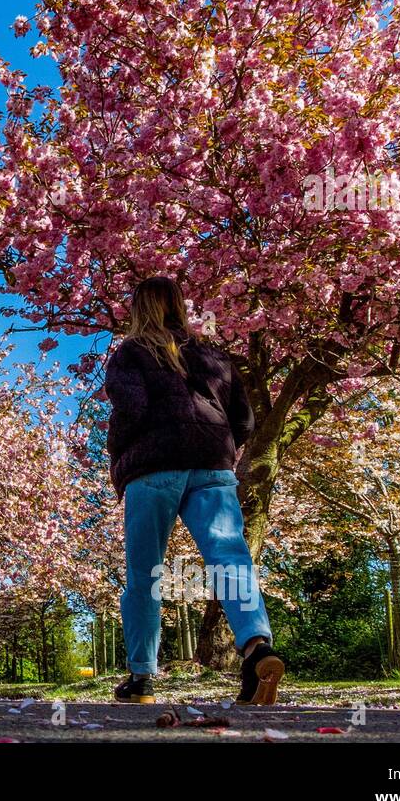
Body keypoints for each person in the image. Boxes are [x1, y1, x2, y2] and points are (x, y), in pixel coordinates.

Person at [104, 276, 284, 705]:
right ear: (179, 307)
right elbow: (244, 421)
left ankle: (141, 679)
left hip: (154, 467)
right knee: (229, 558)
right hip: (211, 463)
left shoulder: (132, 352)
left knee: (145, 574)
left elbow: (131, 408)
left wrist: (120, 458)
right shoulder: (212, 355)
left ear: (138, 309)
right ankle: (257, 647)